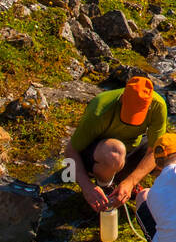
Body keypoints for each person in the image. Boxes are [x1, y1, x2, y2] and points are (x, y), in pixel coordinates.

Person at [63, 75, 167, 213]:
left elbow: (153, 151)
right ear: (122, 98)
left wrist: (131, 181)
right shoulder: (100, 108)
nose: (131, 121)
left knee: (170, 151)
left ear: (148, 106)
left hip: (130, 151)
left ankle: (163, 200)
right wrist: (87, 187)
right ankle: (105, 187)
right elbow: (70, 151)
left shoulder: (158, 106)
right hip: (100, 156)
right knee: (115, 151)